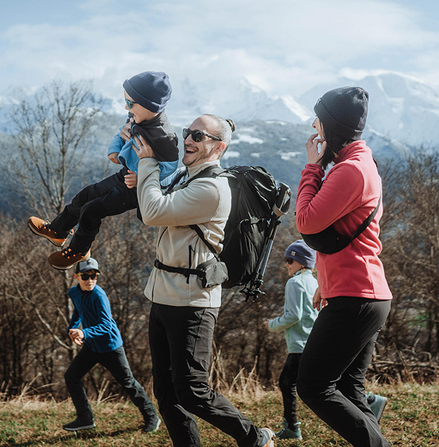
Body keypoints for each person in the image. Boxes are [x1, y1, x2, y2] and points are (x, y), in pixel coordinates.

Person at [131, 113, 276, 447]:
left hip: (192, 302)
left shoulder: (211, 188)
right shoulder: (189, 176)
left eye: (198, 136)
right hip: (163, 294)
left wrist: (147, 163)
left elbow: (153, 212)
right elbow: (150, 203)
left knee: (192, 391)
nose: (188, 140)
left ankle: (256, 438)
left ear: (219, 147)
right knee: (166, 393)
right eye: (188, 132)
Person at [295, 87, 393, 447]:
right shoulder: (360, 164)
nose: (314, 126)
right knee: (350, 389)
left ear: (332, 125)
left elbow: (306, 221)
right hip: (362, 293)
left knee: (313, 385)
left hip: (356, 297)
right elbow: (347, 235)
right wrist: (326, 282)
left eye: (319, 119)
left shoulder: (351, 170)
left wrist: (311, 167)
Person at [28, 71, 179, 269]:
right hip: (124, 175)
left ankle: (79, 251)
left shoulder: (164, 137)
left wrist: (142, 178)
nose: (126, 107)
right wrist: (115, 149)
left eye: (130, 103)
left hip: (136, 189)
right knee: (85, 195)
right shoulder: (137, 116)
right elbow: (123, 132)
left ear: (150, 106)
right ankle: (58, 231)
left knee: (92, 210)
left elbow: (169, 171)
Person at [62, 257, 161, 433]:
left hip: (110, 347)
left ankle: (152, 417)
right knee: (71, 376)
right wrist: (72, 329)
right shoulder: (74, 293)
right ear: (76, 277)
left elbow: (107, 326)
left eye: (94, 276)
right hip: (92, 346)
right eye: (85, 276)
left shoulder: (98, 296)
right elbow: (78, 310)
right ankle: (85, 418)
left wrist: (84, 333)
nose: (90, 280)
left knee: (128, 382)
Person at [265, 240, 319, 440]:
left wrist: (272, 324)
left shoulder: (295, 283)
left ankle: (292, 428)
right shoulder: (315, 282)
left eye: (290, 260)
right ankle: (367, 400)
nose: (286, 264)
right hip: (313, 341)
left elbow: (293, 316)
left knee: (287, 383)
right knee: (320, 384)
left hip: (300, 344)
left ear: (302, 263)